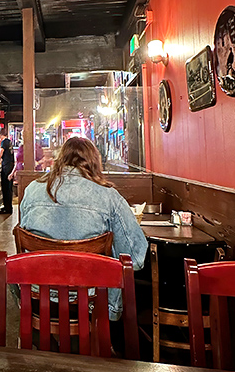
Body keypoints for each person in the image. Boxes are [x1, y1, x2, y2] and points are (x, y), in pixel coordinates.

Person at [19, 136, 147, 336]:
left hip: (38, 294)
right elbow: (136, 258)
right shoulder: (108, 196)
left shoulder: (32, 190)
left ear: (60, 159)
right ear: (94, 161)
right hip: (91, 300)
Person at [0, 130, 15, 214]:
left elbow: (0, 153)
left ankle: (7, 209)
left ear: (0, 135)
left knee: (5, 187)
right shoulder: (10, 142)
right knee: (9, 188)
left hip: (6, 167)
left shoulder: (4, 142)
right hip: (10, 166)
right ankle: (8, 207)